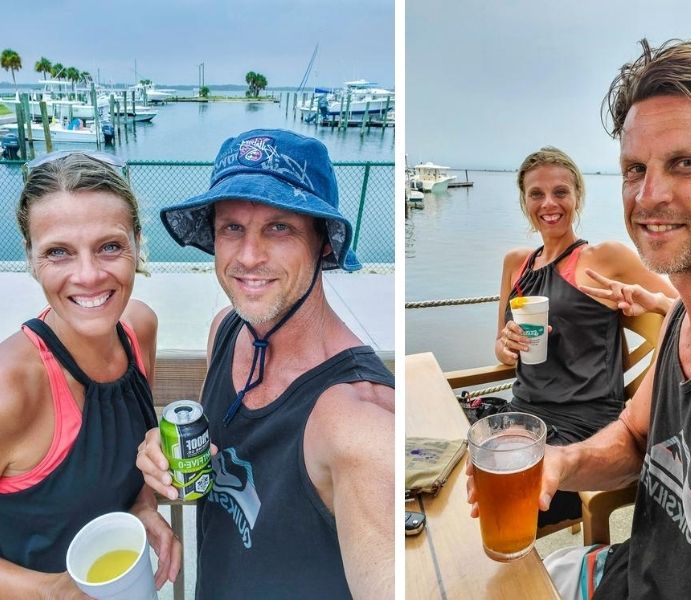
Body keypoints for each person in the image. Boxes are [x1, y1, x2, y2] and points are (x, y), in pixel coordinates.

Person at [475, 38, 691, 598]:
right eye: (634, 169)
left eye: (686, 164)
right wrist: (559, 463)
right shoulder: (685, 316)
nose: (649, 196)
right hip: (625, 572)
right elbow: (632, 437)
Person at [136, 129, 395, 599]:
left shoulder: (359, 419)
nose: (249, 256)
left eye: (280, 228)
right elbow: (217, 455)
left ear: (324, 244)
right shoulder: (226, 330)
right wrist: (163, 456)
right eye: (232, 227)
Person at [0, 152, 181, 598]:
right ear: (30, 258)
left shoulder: (139, 329)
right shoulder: (11, 389)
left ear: (138, 244)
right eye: (58, 252)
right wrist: (52, 591)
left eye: (110, 246)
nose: (89, 275)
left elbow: (132, 446)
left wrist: (142, 504)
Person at [496, 146, 675, 528]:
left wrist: (649, 301)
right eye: (536, 194)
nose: (549, 203)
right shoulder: (517, 263)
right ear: (524, 200)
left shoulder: (603, 257)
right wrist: (507, 343)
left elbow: (684, 303)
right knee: (456, 477)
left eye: (561, 192)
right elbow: (501, 350)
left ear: (578, 196)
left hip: (585, 424)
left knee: (495, 501)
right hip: (523, 410)